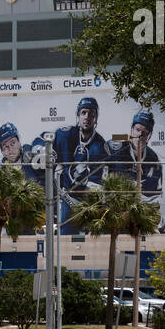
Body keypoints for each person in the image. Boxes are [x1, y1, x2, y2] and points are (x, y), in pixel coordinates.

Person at [107, 109, 165, 232]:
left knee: (159, 230)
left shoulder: (153, 159)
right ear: (131, 130)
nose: (140, 135)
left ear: (149, 135)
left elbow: (154, 198)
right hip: (114, 210)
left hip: (137, 214)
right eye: (137, 130)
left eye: (144, 133)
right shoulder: (116, 148)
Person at [53, 96, 107, 233]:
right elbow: (45, 145)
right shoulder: (64, 135)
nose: (87, 117)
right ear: (77, 116)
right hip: (67, 197)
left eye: (91, 114)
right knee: (64, 238)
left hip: (89, 202)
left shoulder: (100, 147)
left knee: (92, 240)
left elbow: (97, 186)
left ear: (96, 119)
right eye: (83, 113)